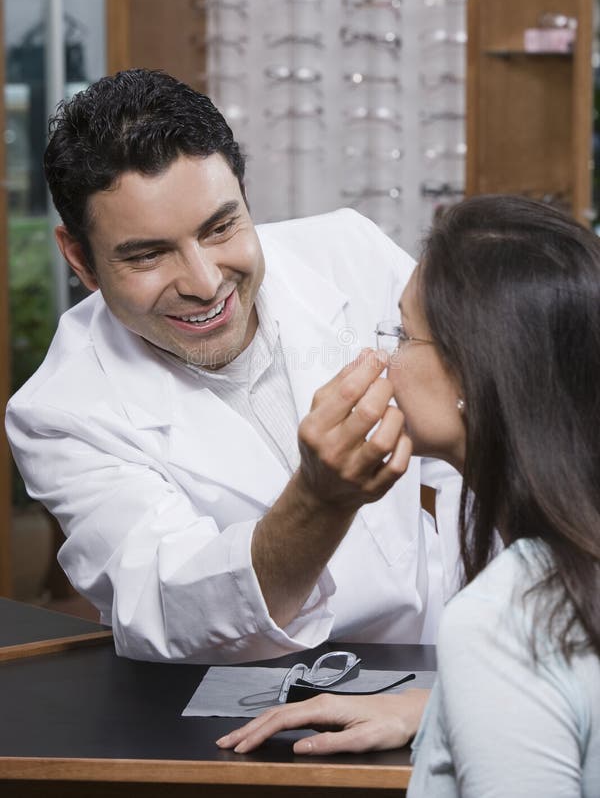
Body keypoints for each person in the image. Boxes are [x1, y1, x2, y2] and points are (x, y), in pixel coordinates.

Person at [5, 69, 461, 676]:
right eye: (147, 254)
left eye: (221, 228)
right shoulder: (59, 412)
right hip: (252, 703)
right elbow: (169, 607)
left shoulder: (350, 251)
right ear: (80, 259)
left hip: (444, 654)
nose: (204, 282)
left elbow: (478, 452)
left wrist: (470, 664)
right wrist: (318, 499)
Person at [217, 195, 600, 798]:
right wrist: (445, 705)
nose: (378, 357)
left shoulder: (503, 621)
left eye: (400, 333)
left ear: (474, 373)